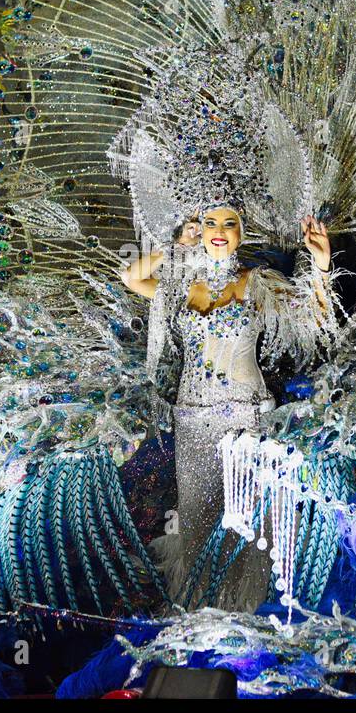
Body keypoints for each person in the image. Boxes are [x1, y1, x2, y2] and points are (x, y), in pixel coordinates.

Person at [120, 205, 333, 611]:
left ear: (242, 232)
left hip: (246, 421)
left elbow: (314, 316)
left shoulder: (257, 283)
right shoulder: (182, 287)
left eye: (229, 223)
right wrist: (176, 247)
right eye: (210, 223)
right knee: (197, 521)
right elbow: (132, 277)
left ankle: (252, 613)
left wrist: (321, 265)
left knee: (250, 523)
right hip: (192, 423)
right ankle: (205, 613)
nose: (219, 232)